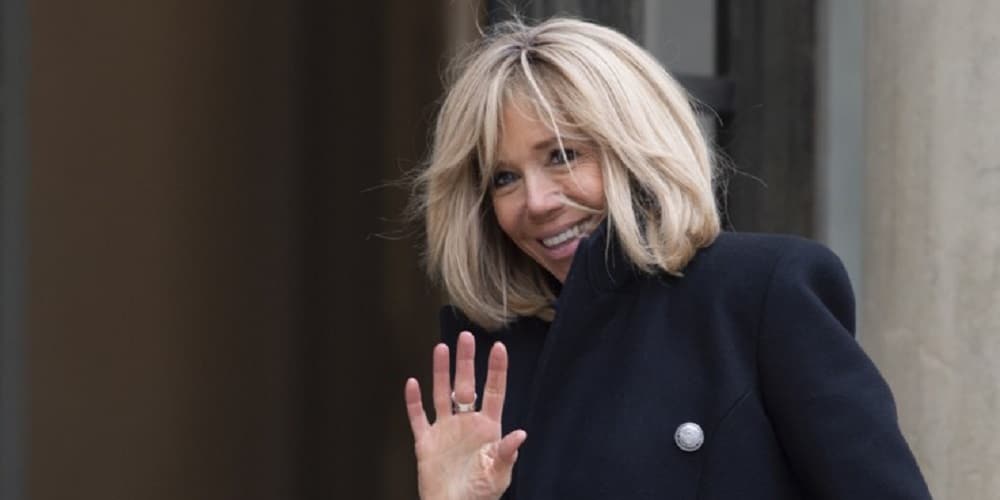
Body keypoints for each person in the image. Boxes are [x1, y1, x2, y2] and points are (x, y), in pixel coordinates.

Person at [403, 17, 932, 500]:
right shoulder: (487, 354)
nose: (536, 202)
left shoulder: (762, 293)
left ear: (636, 146)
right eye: (505, 178)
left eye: (563, 155)